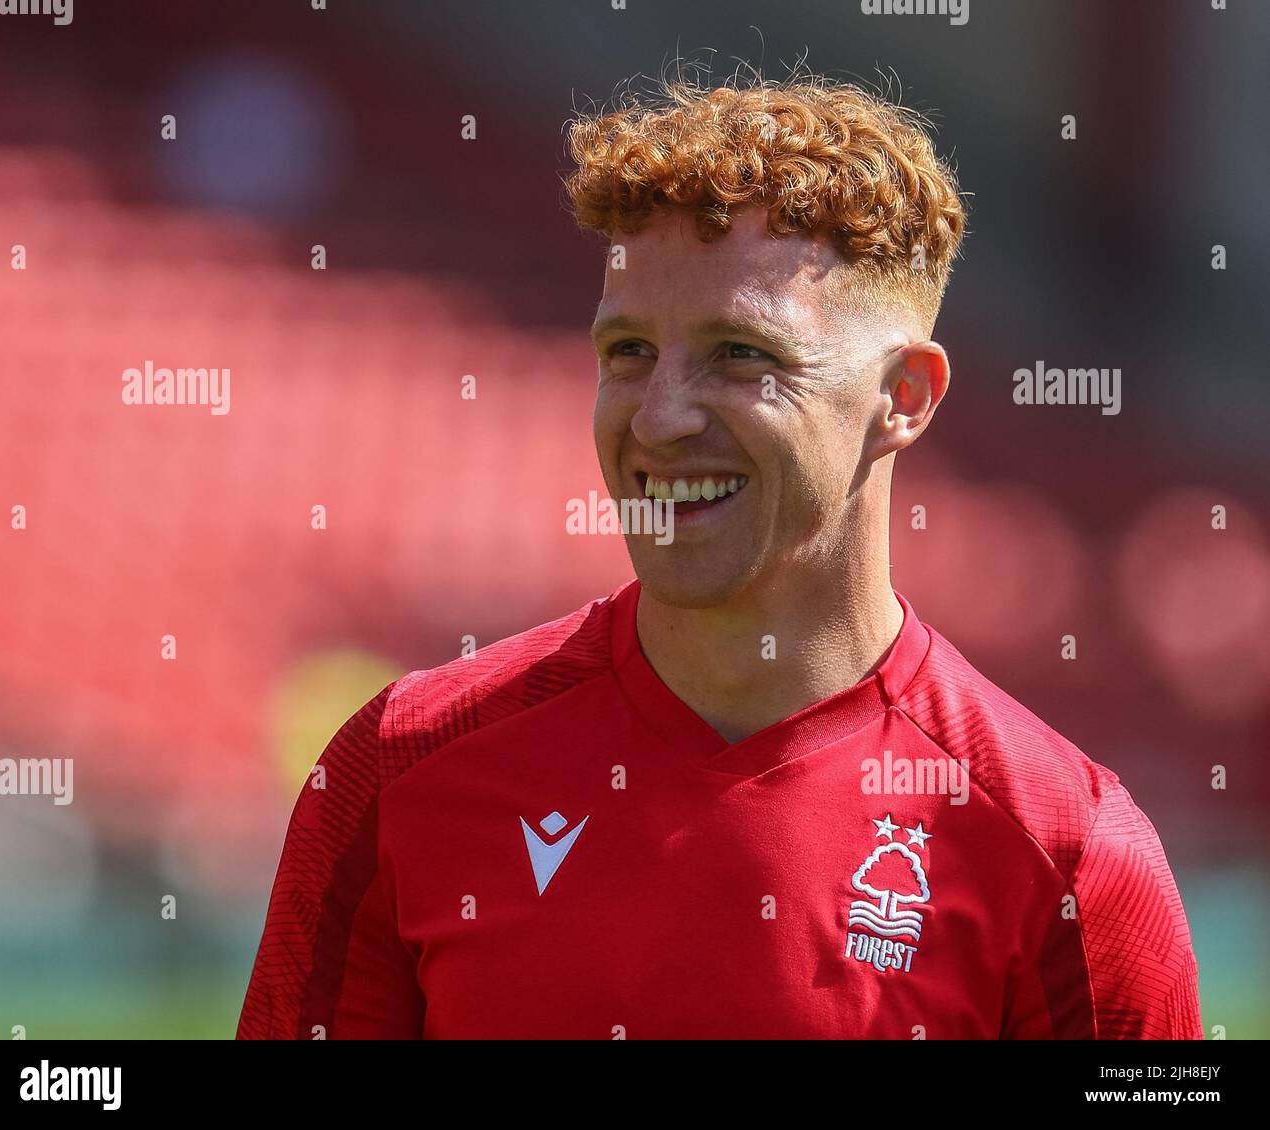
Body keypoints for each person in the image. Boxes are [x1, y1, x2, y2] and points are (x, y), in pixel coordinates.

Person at [237, 75, 1202, 1039]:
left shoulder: (1070, 852)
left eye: (740, 354)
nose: (659, 418)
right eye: (626, 352)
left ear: (903, 396)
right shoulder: (400, 774)